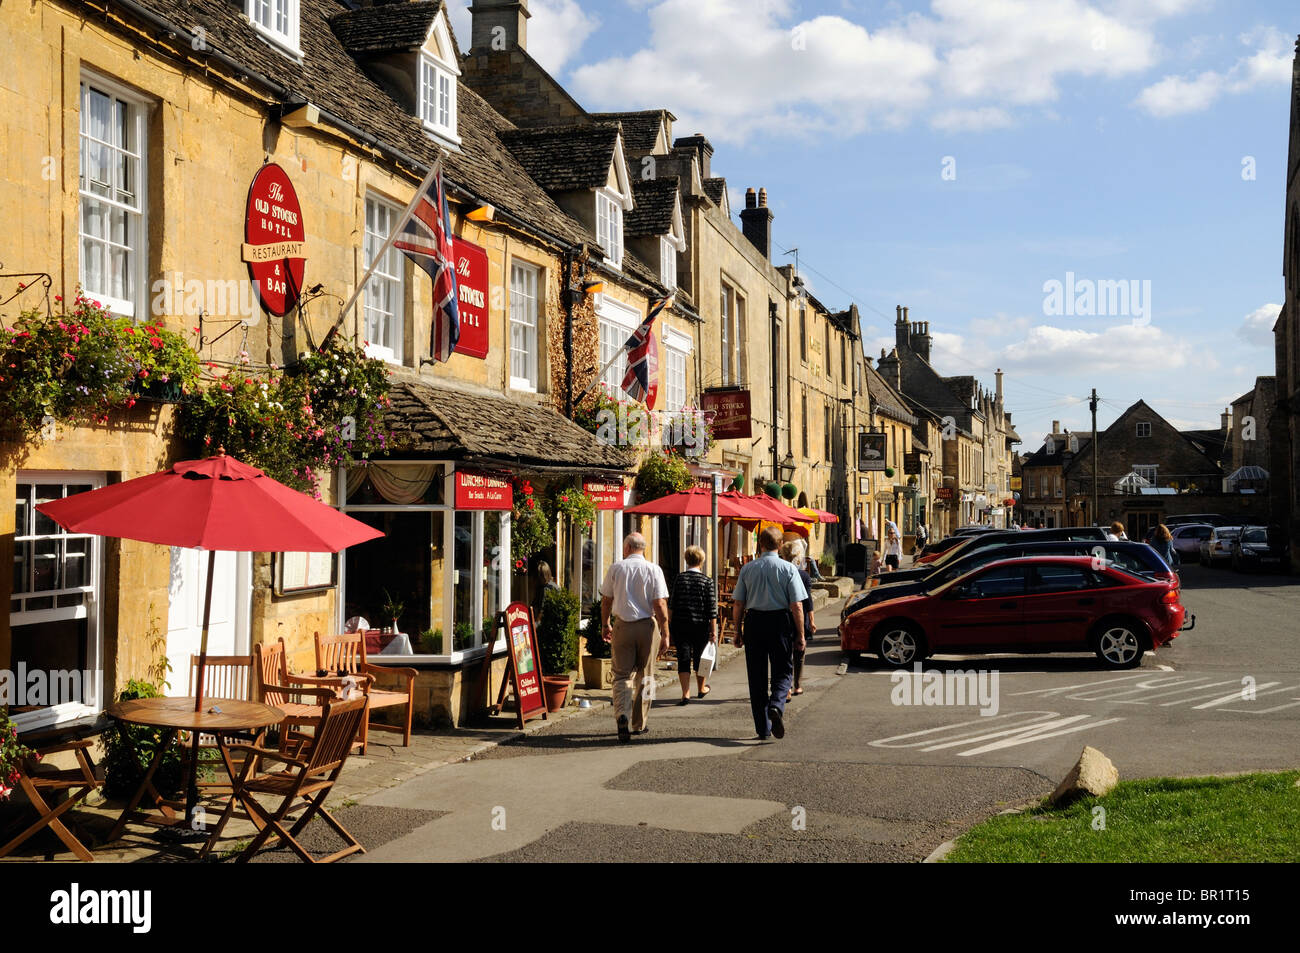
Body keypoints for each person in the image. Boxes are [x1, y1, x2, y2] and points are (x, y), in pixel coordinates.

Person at [732, 527, 807, 741]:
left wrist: (737, 631)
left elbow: (738, 603)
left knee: (756, 677)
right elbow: (797, 606)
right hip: (780, 622)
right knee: (783, 671)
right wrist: (800, 635)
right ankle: (776, 705)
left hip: (754, 622)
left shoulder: (748, 569)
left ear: (760, 545)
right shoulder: (788, 569)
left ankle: (763, 728)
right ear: (781, 544)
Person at [600, 533, 670, 743]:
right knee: (646, 675)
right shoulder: (654, 569)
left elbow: (606, 600)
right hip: (647, 627)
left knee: (621, 675)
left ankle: (622, 714)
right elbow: (660, 604)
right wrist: (665, 632)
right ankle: (640, 723)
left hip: (623, 625)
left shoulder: (617, 568)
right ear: (643, 549)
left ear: (628, 548)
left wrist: (605, 624)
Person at [668, 545, 717, 704]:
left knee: (683, 657)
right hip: (700, 625)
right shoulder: (706, 581)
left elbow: (672, 603)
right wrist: (713, 630)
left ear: (686, 560)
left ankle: (685, 693)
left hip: (680, 624)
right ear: (701, 561)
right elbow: (712, 609)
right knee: (700, 658)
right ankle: (701, 688)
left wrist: (668, 624)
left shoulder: (679, 578)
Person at [780, 541, 815, 699]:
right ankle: (798, 685)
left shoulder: (779, 573)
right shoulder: (803, 575)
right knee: (799, 652)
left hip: (783, 617)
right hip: (799, 617)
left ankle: (786, 687)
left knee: (784, 654)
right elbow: (807, 602)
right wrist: (812, 621)